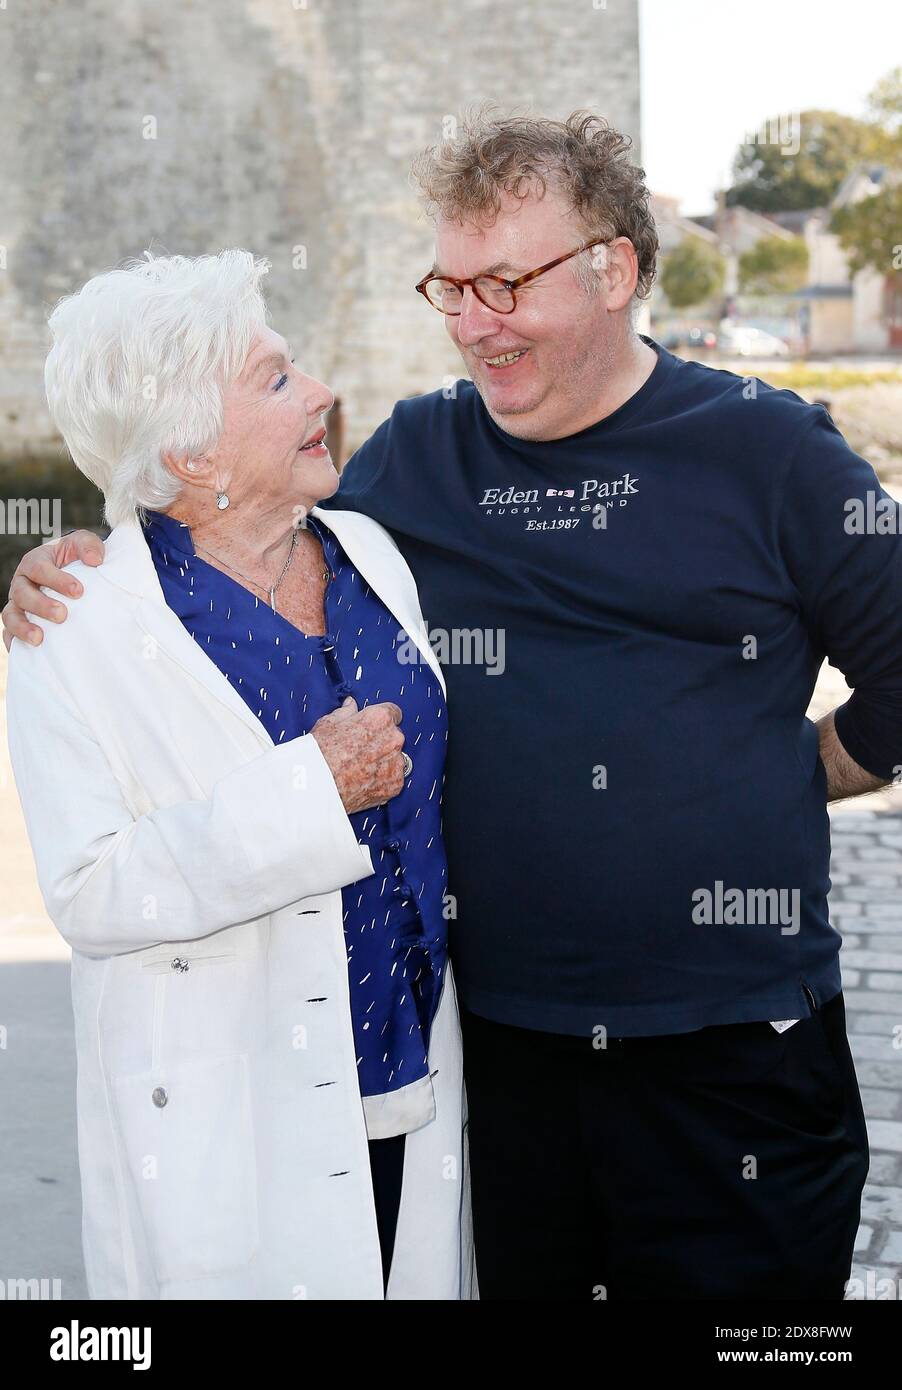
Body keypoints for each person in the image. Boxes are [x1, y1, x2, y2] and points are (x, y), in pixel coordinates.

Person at [8, 110, 899, 1300]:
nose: (473, 323)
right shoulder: (415, 461)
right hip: (498, 1066)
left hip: (735, 1056)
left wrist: (797, 767)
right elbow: (232, 540)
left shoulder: (770, 451)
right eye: (450, 286)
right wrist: (70, 562)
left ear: (613, 270)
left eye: (505, 284)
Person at [3, 250, 474, 1301]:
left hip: (409, 1078)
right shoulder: (71, 630)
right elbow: (90, 889)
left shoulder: (370, 554)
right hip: (235, 1115)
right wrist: (311, 791)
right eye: (275, 380)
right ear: (186, 447)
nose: (322, 395)